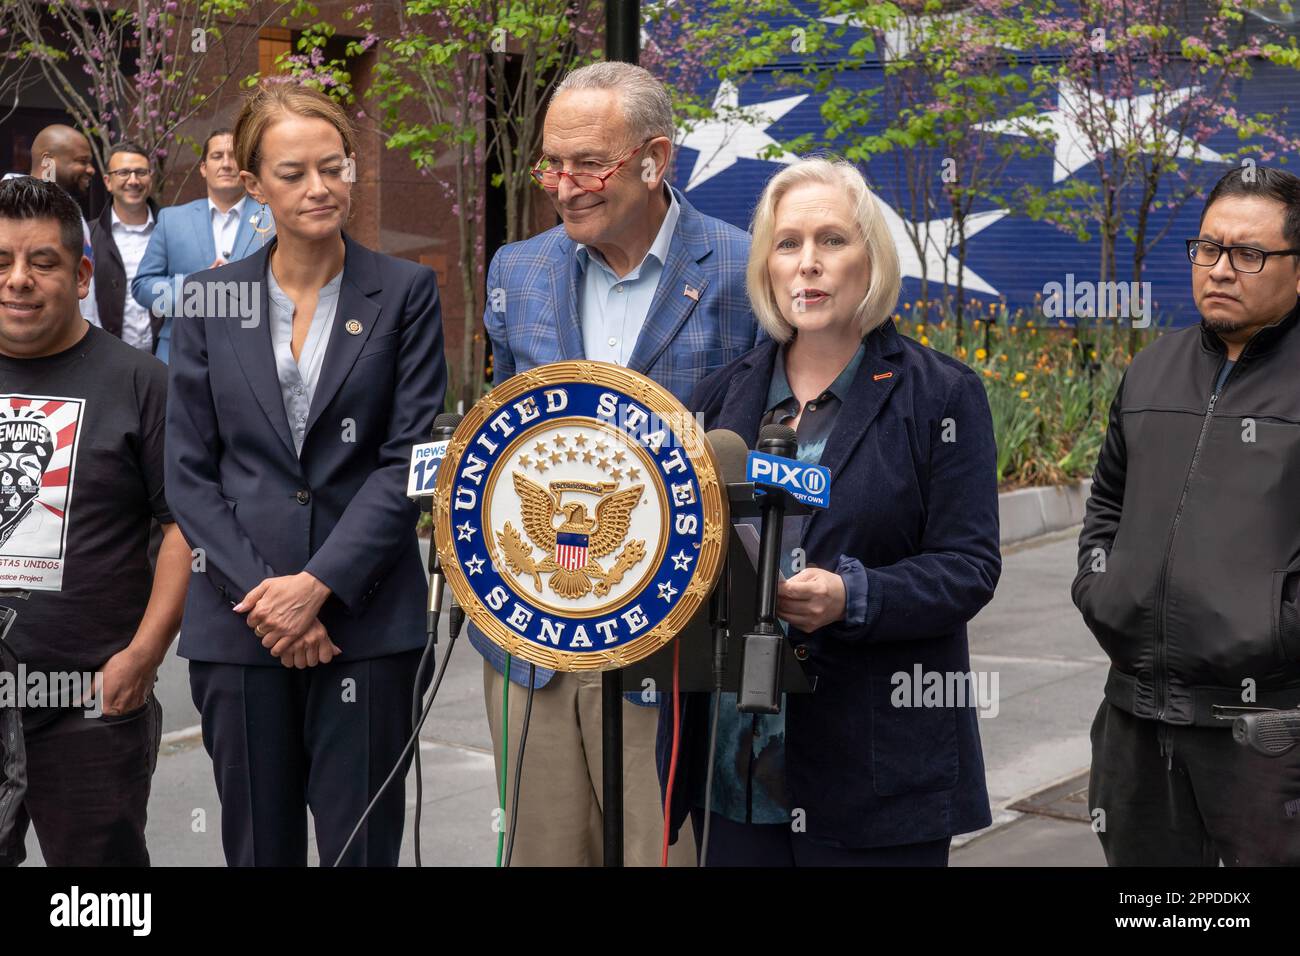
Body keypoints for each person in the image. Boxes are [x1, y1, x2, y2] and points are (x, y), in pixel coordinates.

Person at [660, 157, 1001, 866]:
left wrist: (854, 595)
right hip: (732, 775)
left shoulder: (939, 396)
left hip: (873, 776)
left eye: (831, 241)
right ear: (766, 266)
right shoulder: (722, 398)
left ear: (870, 259)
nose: (808, 264)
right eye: (788, 244)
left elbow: (969, 568)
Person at [478, 61, 760, 867]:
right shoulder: (517, 271)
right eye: (552, 165)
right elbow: (503, 438)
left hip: (670, 652)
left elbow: (763, 459)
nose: (566, 186)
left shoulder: (744, 271)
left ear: (654, 159)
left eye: (589, 164)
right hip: (532, 650)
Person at [166, 83, 446, 867]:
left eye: (335, 167)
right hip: (239, 620)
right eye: (293, 172)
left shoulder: (406, 291)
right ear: (253, 185)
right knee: (259, 848)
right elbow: (190, 472)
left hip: (364, 621)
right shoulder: (209, 299)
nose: (320, 188)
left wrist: (317, 585)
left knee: (362, 850)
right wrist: (270, 601)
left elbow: (407, 459)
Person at [1074, 165, 1300, 866]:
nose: (1222, 269)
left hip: (1267, 732)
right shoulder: (1151, 372)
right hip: (1134, 721)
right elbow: (1106, 501)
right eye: (1208, 248)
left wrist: (1280, 627)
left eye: (1249, 254)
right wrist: (1100, 588)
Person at [0, 176, 190, 866]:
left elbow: (183, 527)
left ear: (81, 275)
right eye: (1, 262)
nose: (18, 280)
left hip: (88, 702)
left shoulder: (143, 383)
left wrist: (141, 657)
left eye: (41, 262)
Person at [132, 128, 274, 362]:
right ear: (203, 168)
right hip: (181, 354)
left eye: (233, 156)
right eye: (217, 156)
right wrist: (197, 289)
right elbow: (142, 286)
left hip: (254, 354)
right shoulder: (171, 220)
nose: (226, 164)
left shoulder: (274, 220)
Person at [3, 124, 100, 326]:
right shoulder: (6, 208)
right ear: (48, 161)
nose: (91, 170)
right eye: (81, 161)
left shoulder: (70, 212)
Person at [89, 141, 161, 351]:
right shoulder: (87, 236)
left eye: (141, 172)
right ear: (108, 181)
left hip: (165, 361)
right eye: (123, 173)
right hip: (105, 359)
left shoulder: (175, 230)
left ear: (151, 178)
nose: (133, 180)